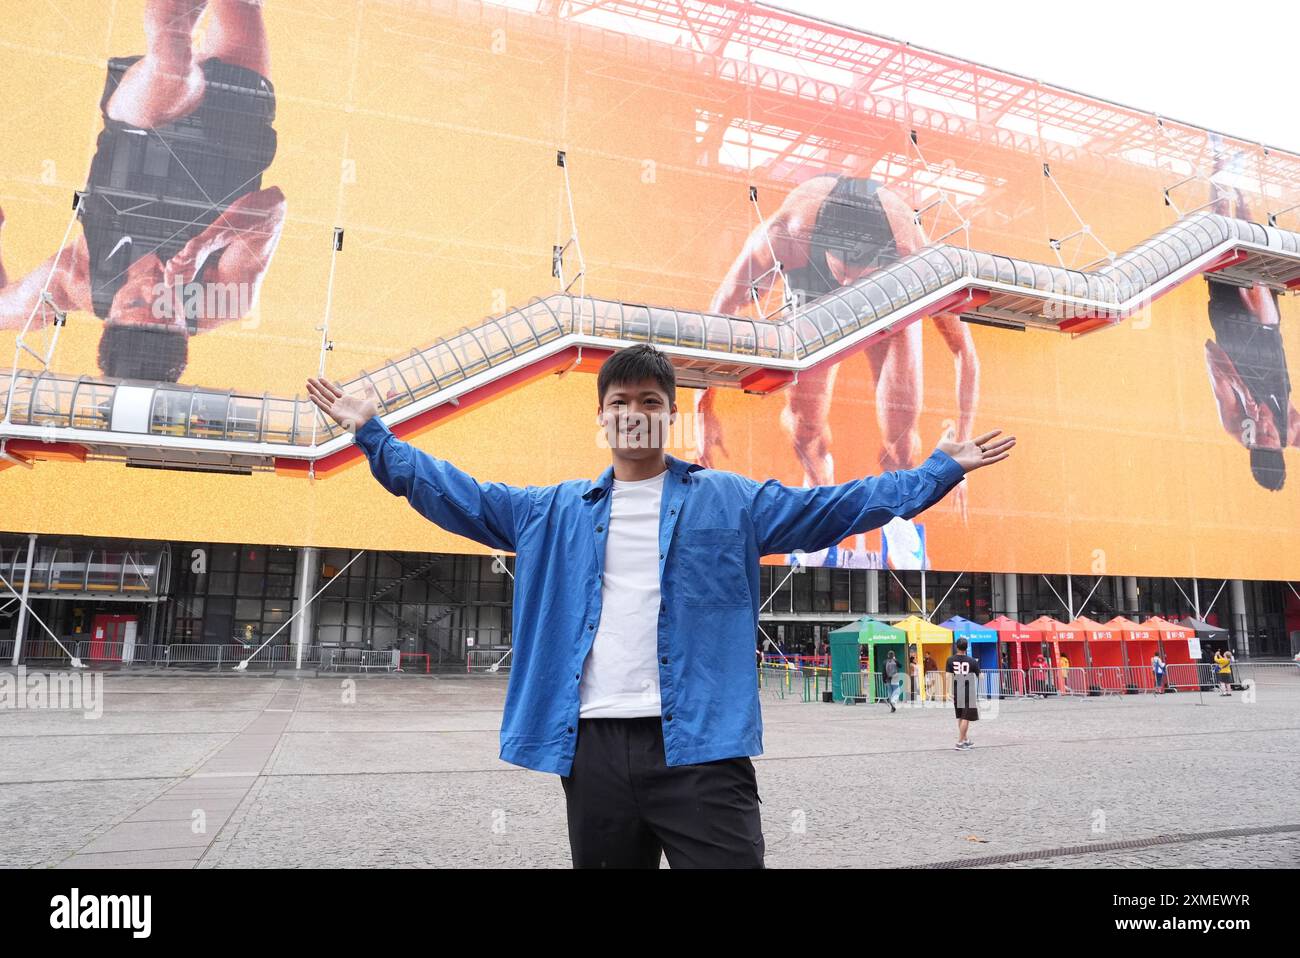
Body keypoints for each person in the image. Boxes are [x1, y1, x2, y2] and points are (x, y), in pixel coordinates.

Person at [307, 344, 1015, 869]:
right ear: (603, 418)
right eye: (621, 402)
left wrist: (939, 470)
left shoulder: (730, 500)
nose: (636, 413)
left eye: (651, 402)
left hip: (704, 750)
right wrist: (375, 436)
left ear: (669, 418)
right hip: (593, 749)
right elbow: (453, 494)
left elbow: (836, 506)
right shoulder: (549, 512)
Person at [694, 174, 981, 569]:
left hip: (886, 296)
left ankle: (898, 512)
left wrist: (963, 444)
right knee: (803, 426)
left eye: (856, 277)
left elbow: (964, 352)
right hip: (816, 291)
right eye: (843, 273)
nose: (849, 287)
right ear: (824, 250)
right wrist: (703, 412)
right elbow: (718, 315)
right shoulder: (784, 236)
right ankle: (817, 494)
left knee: (900, 430)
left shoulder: (913, 258)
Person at [0, 0, 285, 382]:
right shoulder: (222, 301)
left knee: (171, 62)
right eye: (167, 307)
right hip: (232, 132)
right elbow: (273, 207)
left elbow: (3, 310)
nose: (152, 288)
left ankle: (173, 47)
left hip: (140, 131)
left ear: (109, 316)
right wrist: (205, 244)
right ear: (185, 326)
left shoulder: (77, 282)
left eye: (134, 301)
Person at [1202, 142, 1298, 490]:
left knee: (1223, 234)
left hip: (1231, 324)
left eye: (1260, 436)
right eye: (1272, 434)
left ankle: (1218, 160)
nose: (1265, 427)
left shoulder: (1233, 422)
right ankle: (1239, 183)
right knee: (1253, 246)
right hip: (1267, 330)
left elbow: (1210, 351)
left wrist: (1243, 390)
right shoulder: (1292, 428)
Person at [946, 637, 981, 750]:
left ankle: (965, 739)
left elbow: (948, 676)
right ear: (966, 647)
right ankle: (960, 742)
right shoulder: (972, 661)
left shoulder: (950, 659)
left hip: (957, 689)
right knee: (966, 717)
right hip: (968, 691)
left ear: (957, 646)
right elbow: (980, 676)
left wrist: (947, 691)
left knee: (961, 716)